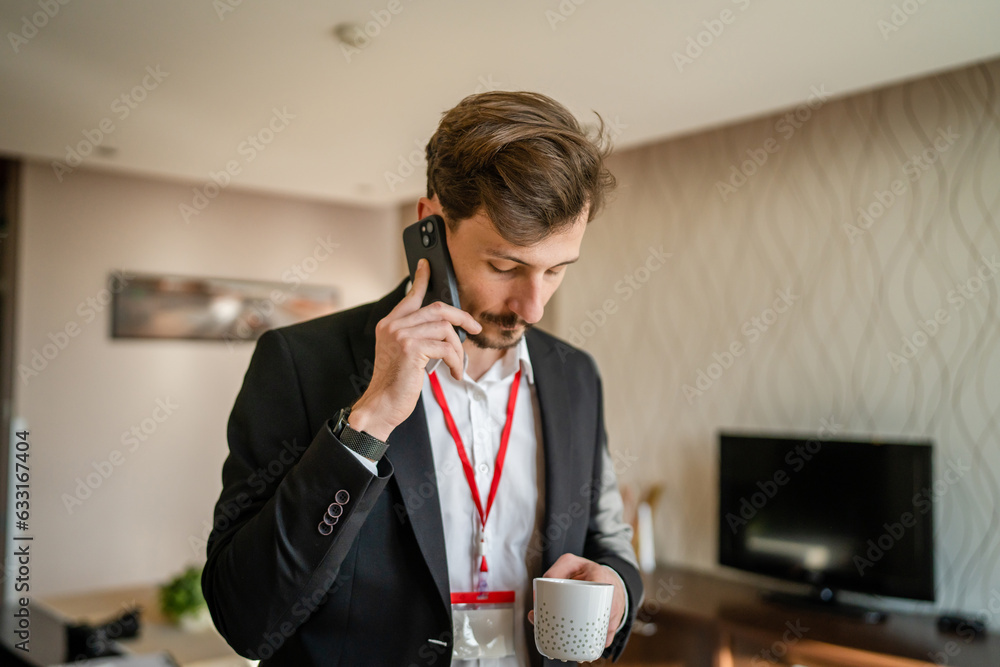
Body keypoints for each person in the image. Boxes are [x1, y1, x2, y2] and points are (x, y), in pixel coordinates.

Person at [202, 90, 643, 666]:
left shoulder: (575, 375)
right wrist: (369, 422)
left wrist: (616, 587)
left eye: (556, 270)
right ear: (430, 226)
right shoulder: (299, 362)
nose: (533, 308)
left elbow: (608, 540)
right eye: (505, 267)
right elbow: (245, 618)